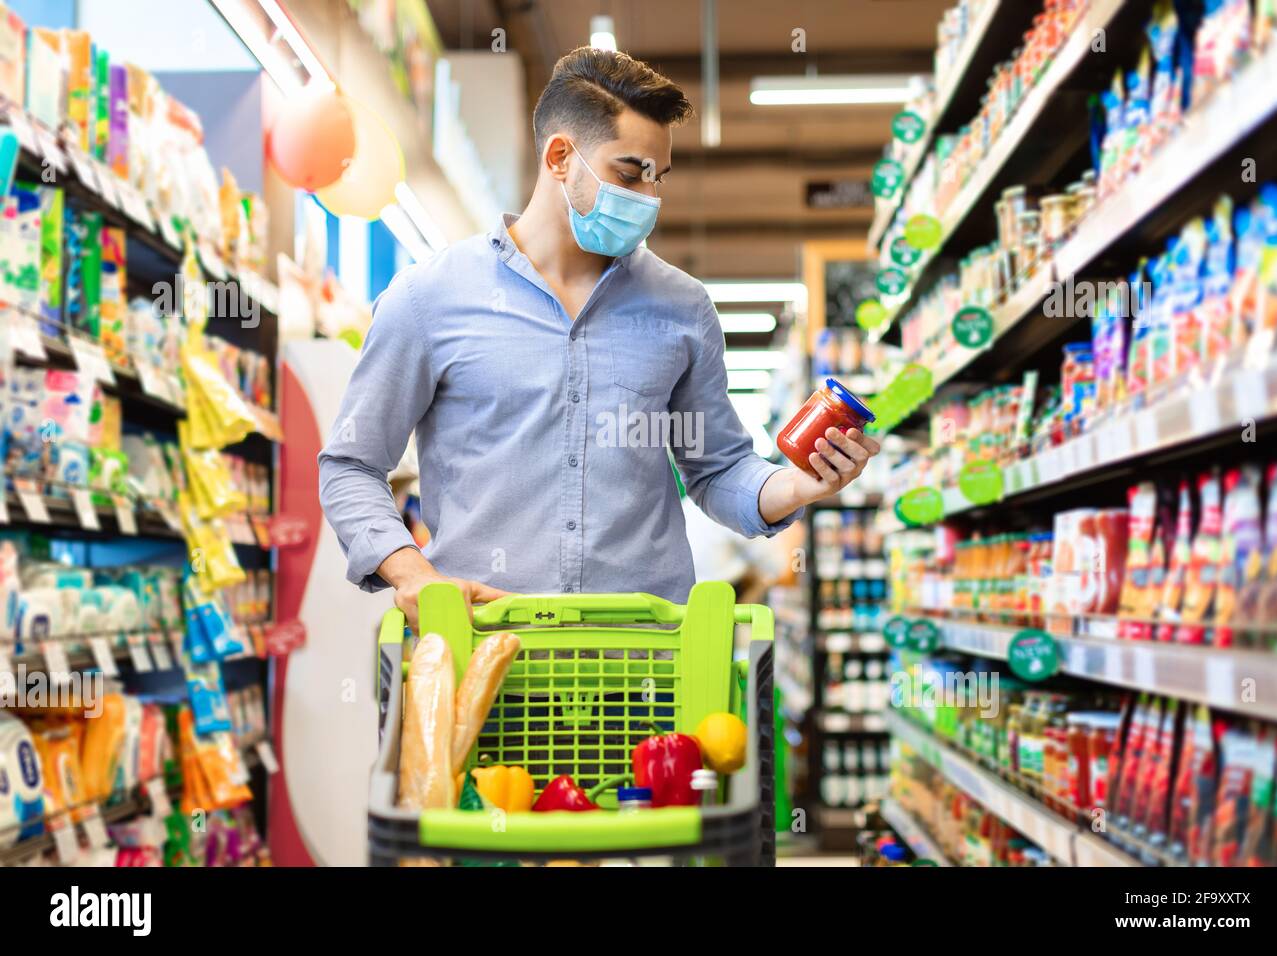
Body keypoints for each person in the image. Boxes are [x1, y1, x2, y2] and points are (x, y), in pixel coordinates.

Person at [318, 47, 880, 627]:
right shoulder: (429, 298)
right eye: (629, 173)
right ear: (561, 156)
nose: (649, 199)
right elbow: (350, 466)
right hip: (485, 648)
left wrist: (796, 485)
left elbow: (717, 470)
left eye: (657, 178)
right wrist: (414, 576)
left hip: (644, 662)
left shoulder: (683, 308)